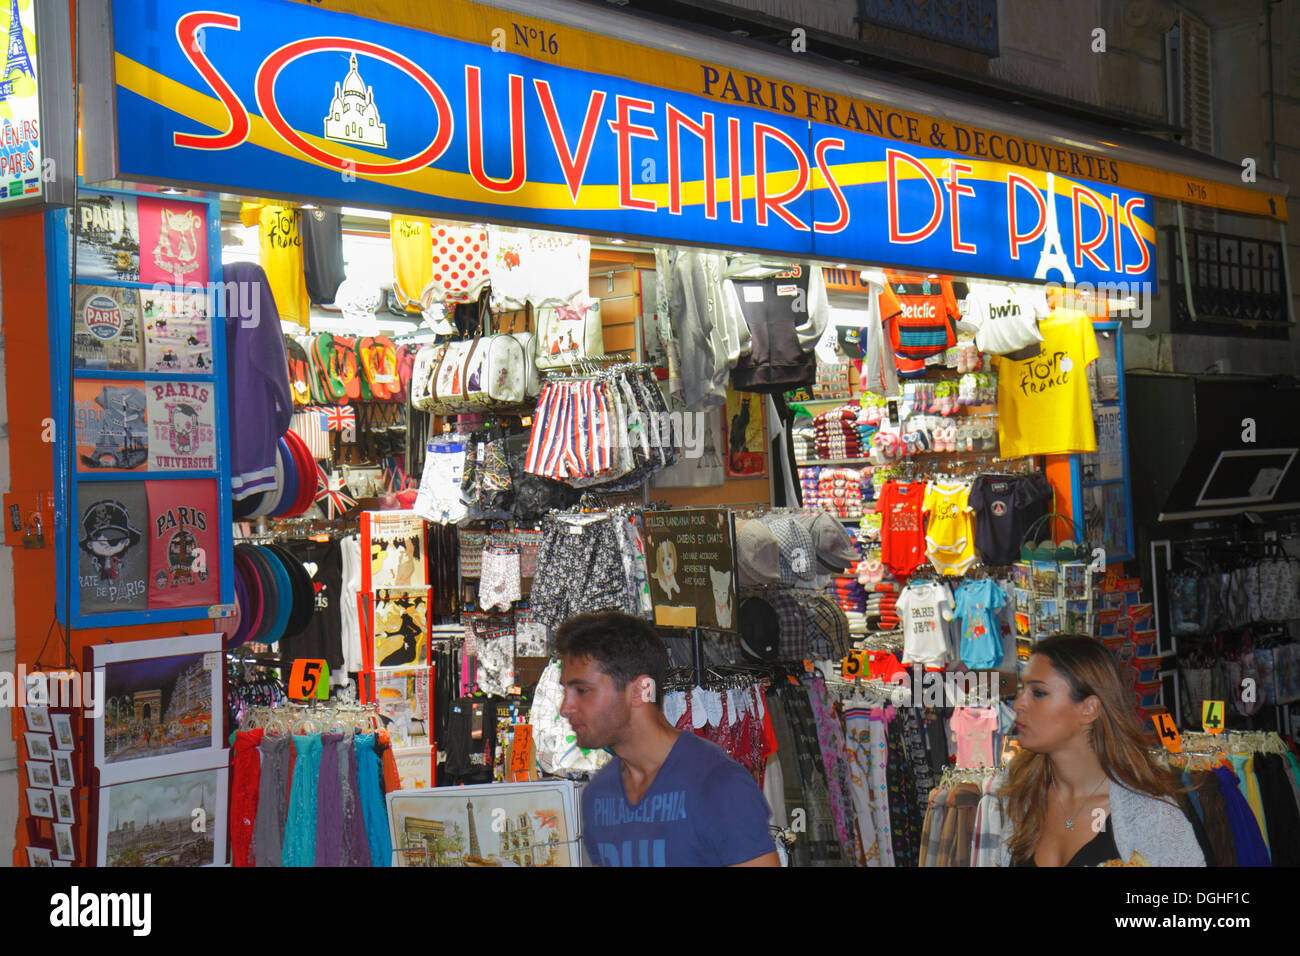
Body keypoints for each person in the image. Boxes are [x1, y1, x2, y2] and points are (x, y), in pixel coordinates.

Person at [558, 611, 779, 867]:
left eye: (582, 691)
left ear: (641, 690)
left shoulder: (717, 784)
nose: (566, 708)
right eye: (565, 691)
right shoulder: (599, 794)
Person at [1001, 634, 1205, 866]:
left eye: (1038, 693)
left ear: (1089, 709)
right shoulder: (1022, 795)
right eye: (1021, 689)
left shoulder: (1153, 819)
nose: (1018, 704)